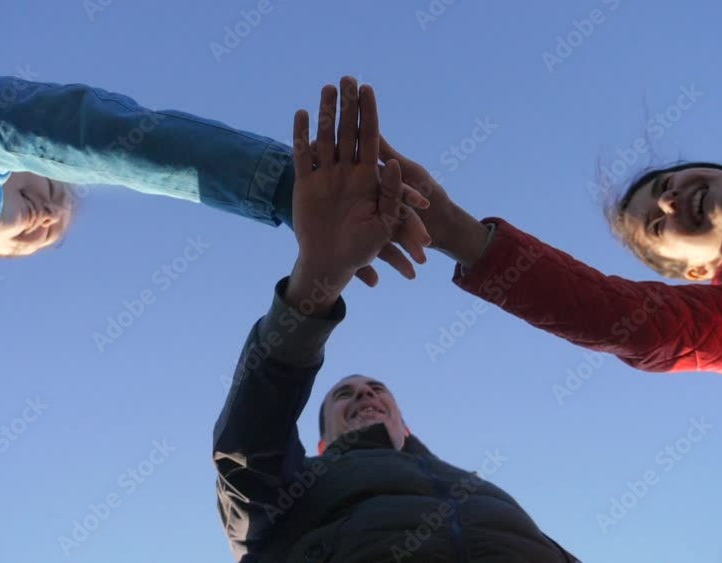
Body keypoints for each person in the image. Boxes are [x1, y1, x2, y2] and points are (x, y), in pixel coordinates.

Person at [213, 77, 580, 562]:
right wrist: (313, 284)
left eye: (374, 388)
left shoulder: (480, 490)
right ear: (321, 443)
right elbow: (247, 451)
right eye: (344, 394)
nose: (364, 394)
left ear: (404, 424)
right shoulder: (297, 487)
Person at [0, 72, 426, 379]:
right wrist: (287, 185)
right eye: (44, 188)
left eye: (46, 233)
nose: (44, 216)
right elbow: (96, 133)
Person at [378, 134, 722, 400]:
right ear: (694, 273)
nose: (672, 200)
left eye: (666, 186)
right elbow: (632, 321)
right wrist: (454, 230)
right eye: (658, 226)